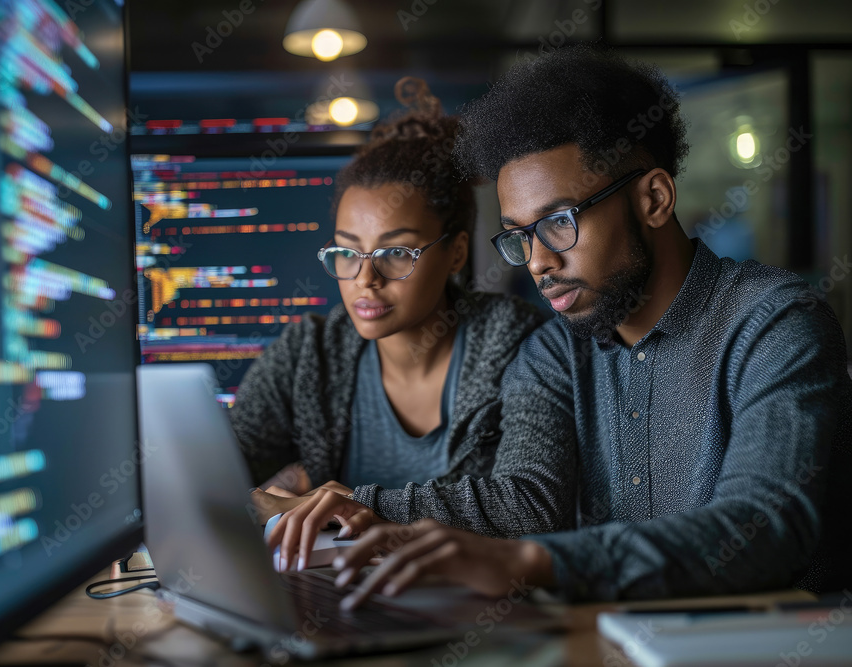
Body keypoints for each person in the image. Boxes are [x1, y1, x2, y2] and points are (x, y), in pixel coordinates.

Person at [330, 45, 852, 609]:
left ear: (653, 198)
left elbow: (761, 529)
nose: (537, 262)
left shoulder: (775, 324)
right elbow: (524, 503)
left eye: (557, 222)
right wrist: (357, 509)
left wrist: (537, 561)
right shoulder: (553, 352)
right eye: (519, 235)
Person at [229, 79, 572, 572]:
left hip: (477, 607)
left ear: (455, 253)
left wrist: (358, 507)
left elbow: (528, 507)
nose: (365, 279)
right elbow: (212, 472)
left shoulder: (515, 343)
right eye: (348, 252)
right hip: (342, 599)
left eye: (396, 253)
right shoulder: (313, 349)